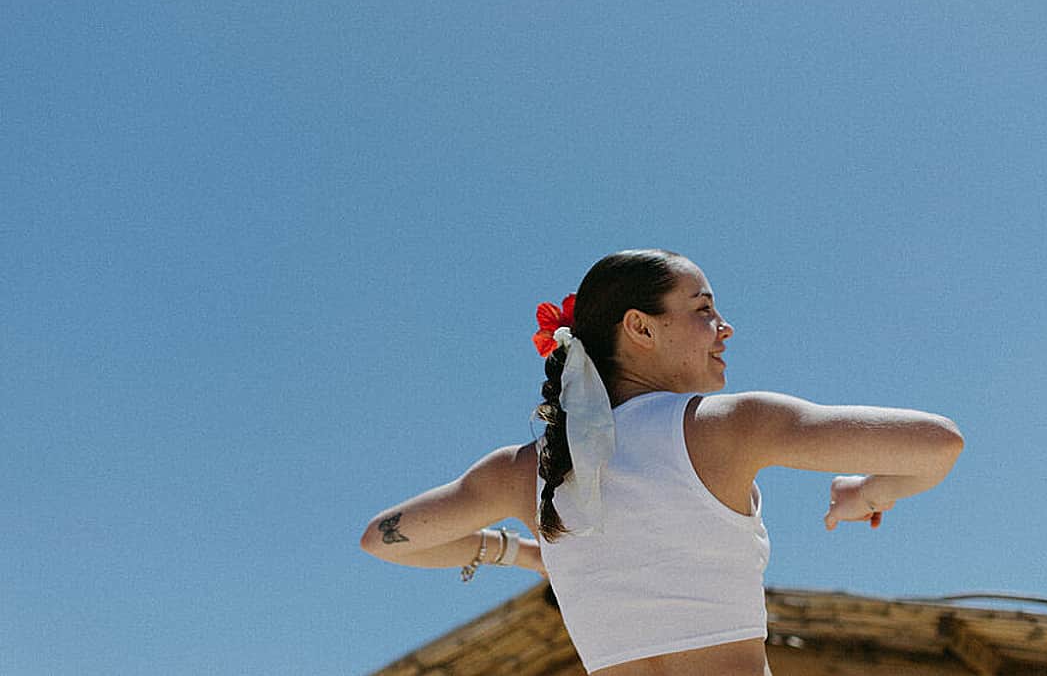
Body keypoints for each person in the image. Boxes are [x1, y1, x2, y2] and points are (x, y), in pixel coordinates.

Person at [360, 249, 963, 676]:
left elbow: (385, 540)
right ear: (640, 328)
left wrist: (517, 552)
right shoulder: (727, 426)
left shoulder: (523, 471)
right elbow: (939, 444)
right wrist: (865, 496)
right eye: (703, 308)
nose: (724, 327)